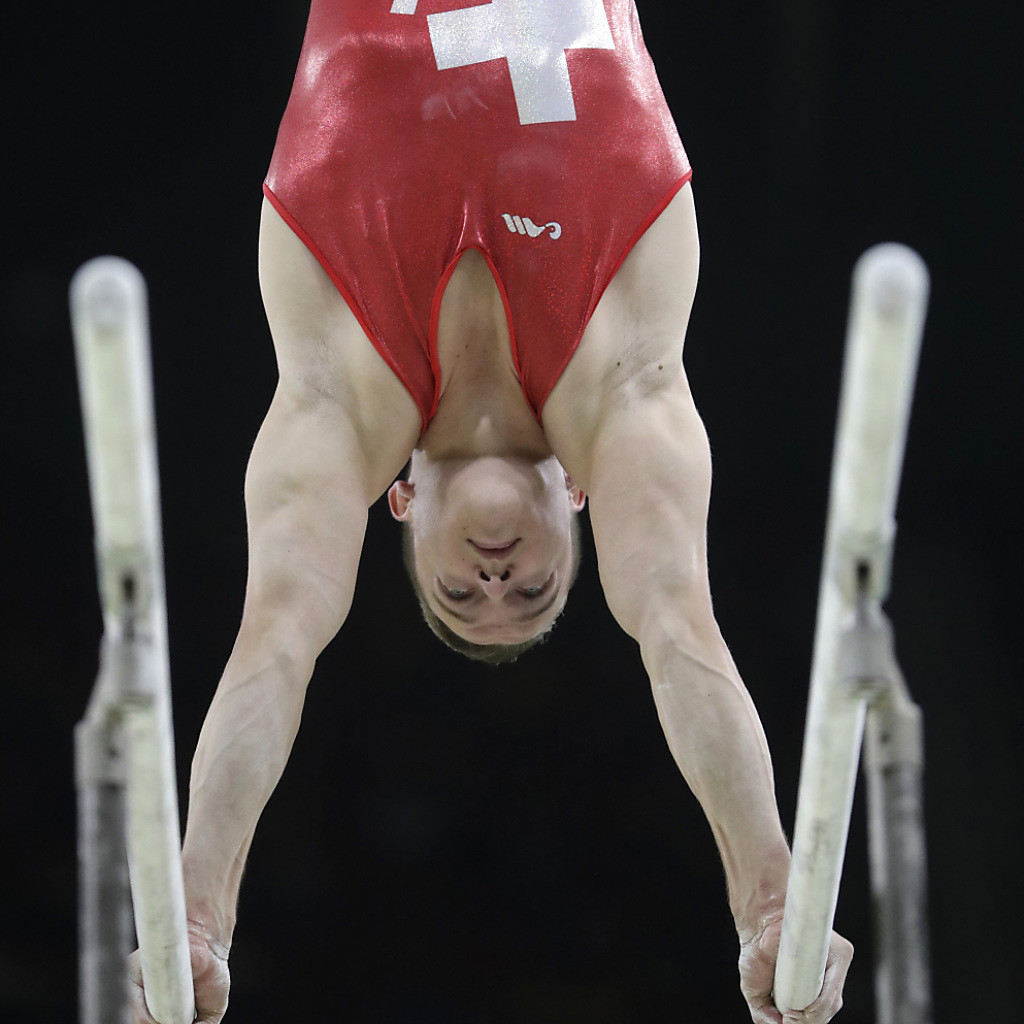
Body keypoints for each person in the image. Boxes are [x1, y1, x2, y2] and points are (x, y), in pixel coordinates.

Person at [131, 2, 853, 1022]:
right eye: (531, 587)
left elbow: (275, 645)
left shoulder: (334, 402)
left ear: (400, 504)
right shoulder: (626, 394)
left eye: (461, 591)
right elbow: (678, 627)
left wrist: (194, 916)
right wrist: (772, 902)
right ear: (578, 499)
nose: (496, 575)